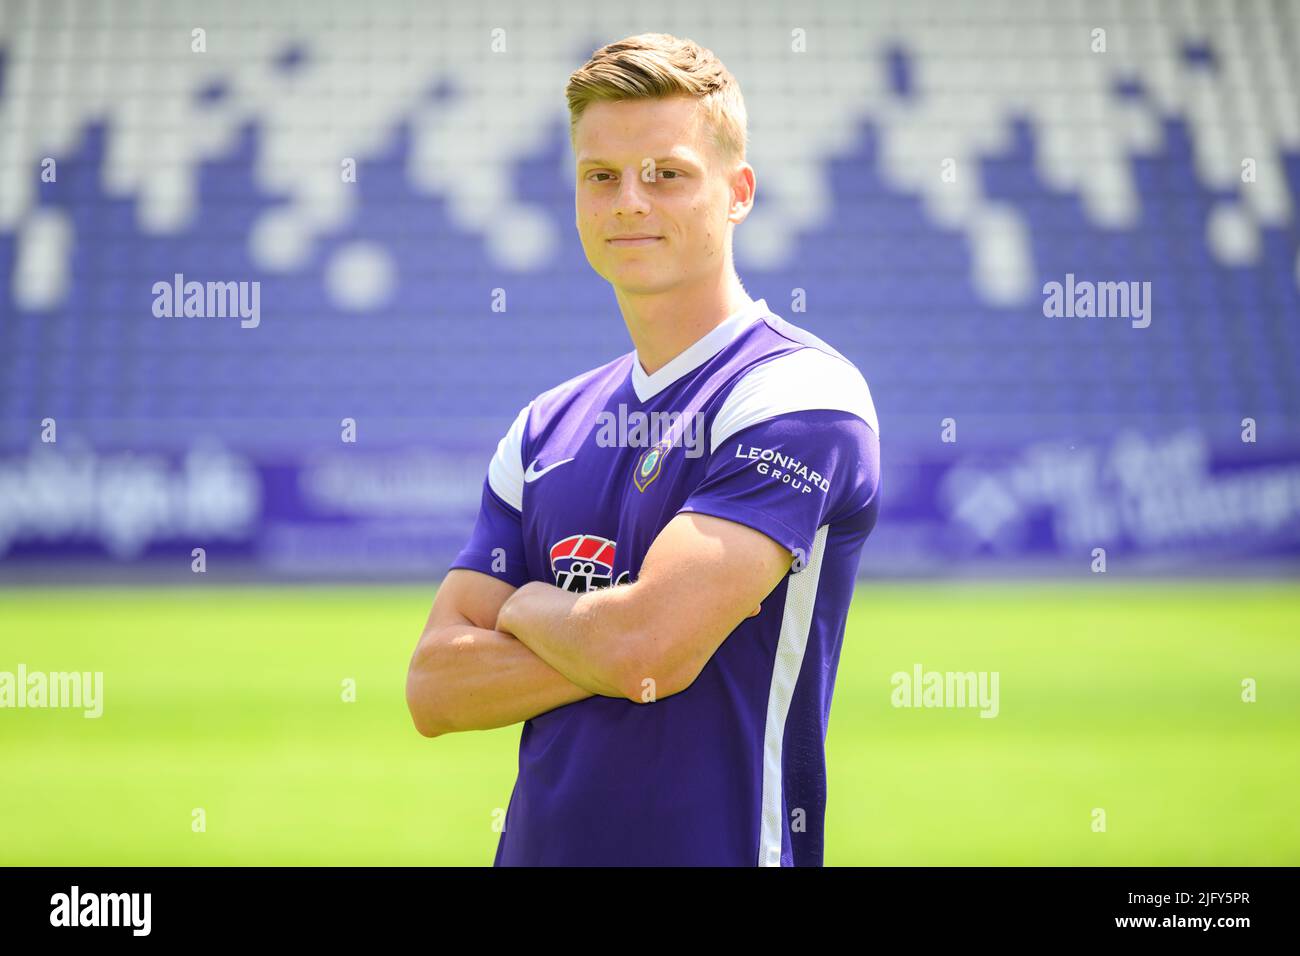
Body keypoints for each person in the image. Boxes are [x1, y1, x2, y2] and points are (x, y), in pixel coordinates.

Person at [406, 32, 880, 866]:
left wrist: (522, 609)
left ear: (738, 193)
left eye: (666, 174)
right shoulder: (544, 427)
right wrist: (612, 631)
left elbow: (647, 650)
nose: (629, 200)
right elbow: (434, 687)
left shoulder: (800, 396)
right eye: (601, 177)